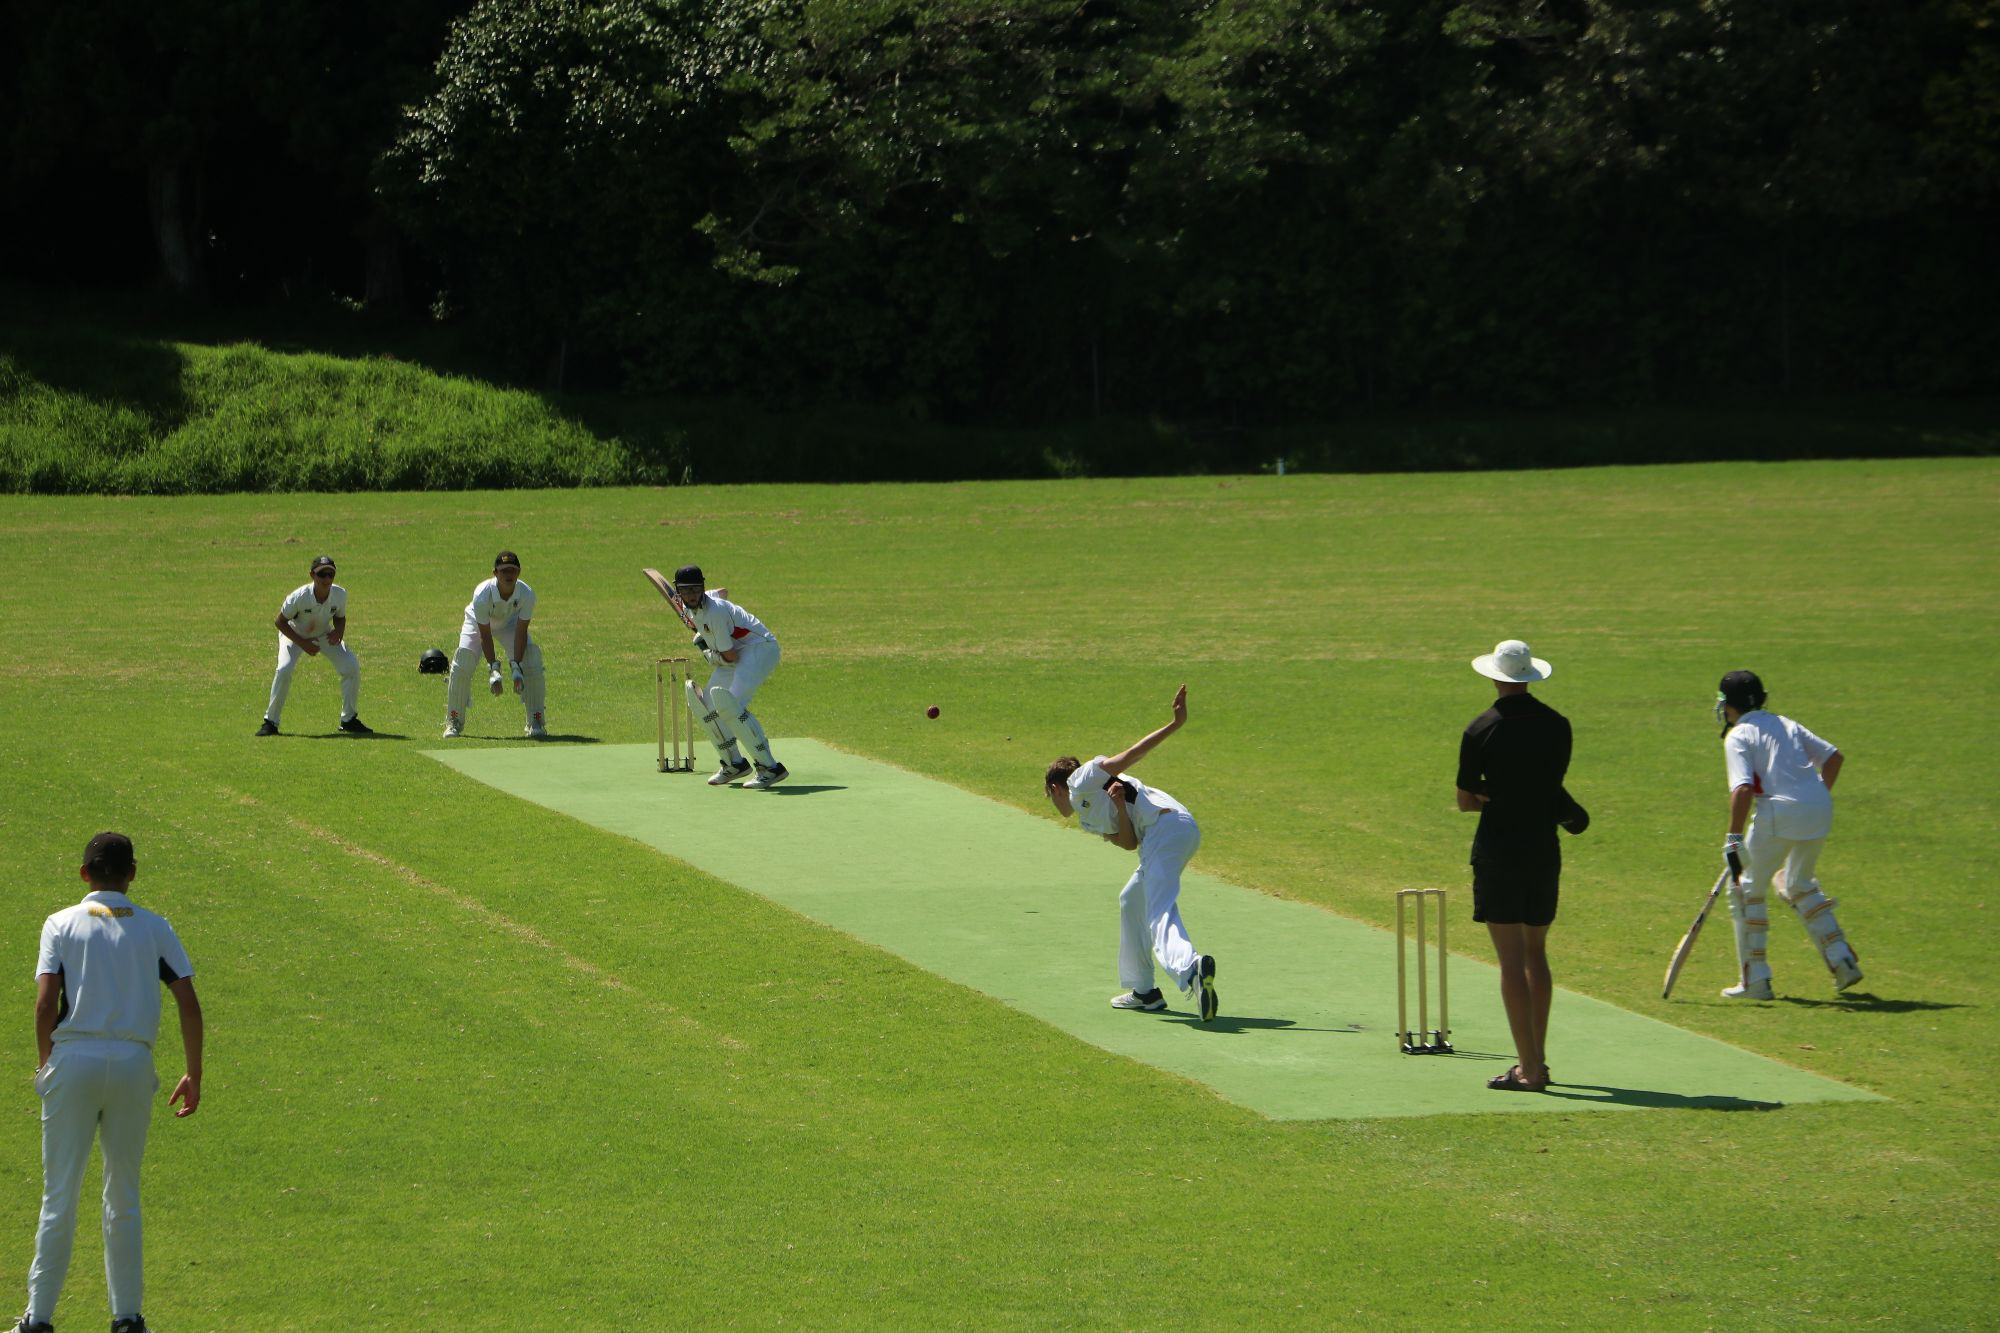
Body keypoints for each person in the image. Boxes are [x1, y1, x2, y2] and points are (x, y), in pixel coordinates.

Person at [17, 833, 202, 1333]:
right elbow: (188, 1000)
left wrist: (45, 1063)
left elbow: (44, 1003)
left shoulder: (60, 923)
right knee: (123, 1194)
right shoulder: (155, 927)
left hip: (72, 1060)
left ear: (84, 874)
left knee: (59, 1197)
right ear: (132, 874)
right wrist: (193, 1073)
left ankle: (39, 1320)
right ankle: (127, 1318)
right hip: (132, 1063)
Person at [1455, 640, 1588, 1092]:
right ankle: (1538, 1061)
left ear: (1495, 676)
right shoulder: (1558, 726)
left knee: (1511, 962)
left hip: (1498, 851)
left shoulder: (1481, 729)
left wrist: (1496, 796)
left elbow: (1465, 801)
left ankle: (1529, 1069)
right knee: (1536, 954)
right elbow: (1550, 786)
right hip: (1542, 850)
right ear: (1529, 677)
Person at [1044, 685, 1217, 1022]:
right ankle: (1144, 991)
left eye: (1049, 796)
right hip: (1166, 834)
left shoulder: (1081, 780)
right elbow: (1127, 843)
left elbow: (1131, 755)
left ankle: (1191, 969)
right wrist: (1121, 808)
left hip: (1167, 827)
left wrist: (1174, 724)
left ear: (1055, 788)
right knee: (1132, 899)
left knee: (1158, 909)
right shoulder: (1087, 819)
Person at [1715, 670, 1862, 999]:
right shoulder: (1785, 723)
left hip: (1778, 812)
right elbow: (1834, 759)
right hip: (1819, 808)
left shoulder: (1738, 735)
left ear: (1729, 705)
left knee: (1743, 887)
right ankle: (1841, 958)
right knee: (1797, 883)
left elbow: (1741, 789)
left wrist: (1734, 838)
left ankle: (1755, 979)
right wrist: (1813, 798)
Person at [672, 565, 787, 789]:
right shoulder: (699, 604)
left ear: (702, 588)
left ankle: (770, 768)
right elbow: (723, 591)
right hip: (737, 651)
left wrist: (705, 650)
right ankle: (734, 763)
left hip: (758, 648)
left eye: (696, 589)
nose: (692, 595)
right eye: (686, 591)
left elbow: (730, 657)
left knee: (731, 706)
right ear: (679, 593)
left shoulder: (714, 613)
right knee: (707, 705)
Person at [257, 554, 370, 736]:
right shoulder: (299, 597)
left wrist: (339, 632)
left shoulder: (340, 594)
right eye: (321, 574)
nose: (326, 579)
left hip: (323, 634)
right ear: (312, 575)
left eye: (330, 575)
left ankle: (349, 719)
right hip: (294, 635)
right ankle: (270, 722)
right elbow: (280, 622)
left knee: (351, 667)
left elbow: (340, 617)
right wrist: (303, 644)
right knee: (284, 669)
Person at [443, 551, 547, 739]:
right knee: (463, 660)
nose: (508, 575)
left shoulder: (526, 594)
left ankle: (536, 720)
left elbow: (521, 631)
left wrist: (516, 668)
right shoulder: (482, 594)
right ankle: (454, 721)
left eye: (512, 570)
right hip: (478, 622)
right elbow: (485, 634)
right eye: (503, 570)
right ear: (495, 573)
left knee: (530, 657)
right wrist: (493, 669)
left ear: (519, 572)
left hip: (510, 623)